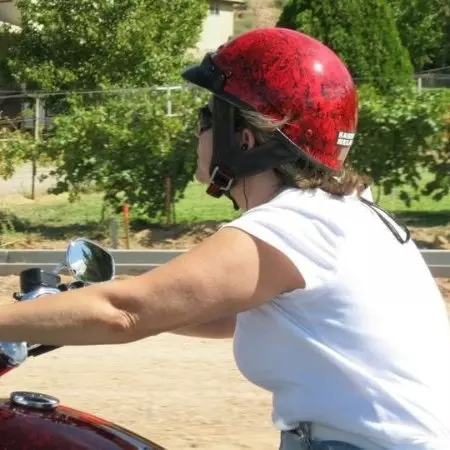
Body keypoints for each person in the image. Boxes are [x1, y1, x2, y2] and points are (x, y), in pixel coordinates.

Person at [0, 27, 449, 450]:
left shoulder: (294, 226)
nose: (198, 130)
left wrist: (114, 306)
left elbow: (126, 313)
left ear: (246, 138)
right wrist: (76, 305)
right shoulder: (348, 214)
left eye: (207, 116)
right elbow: (227, 315)